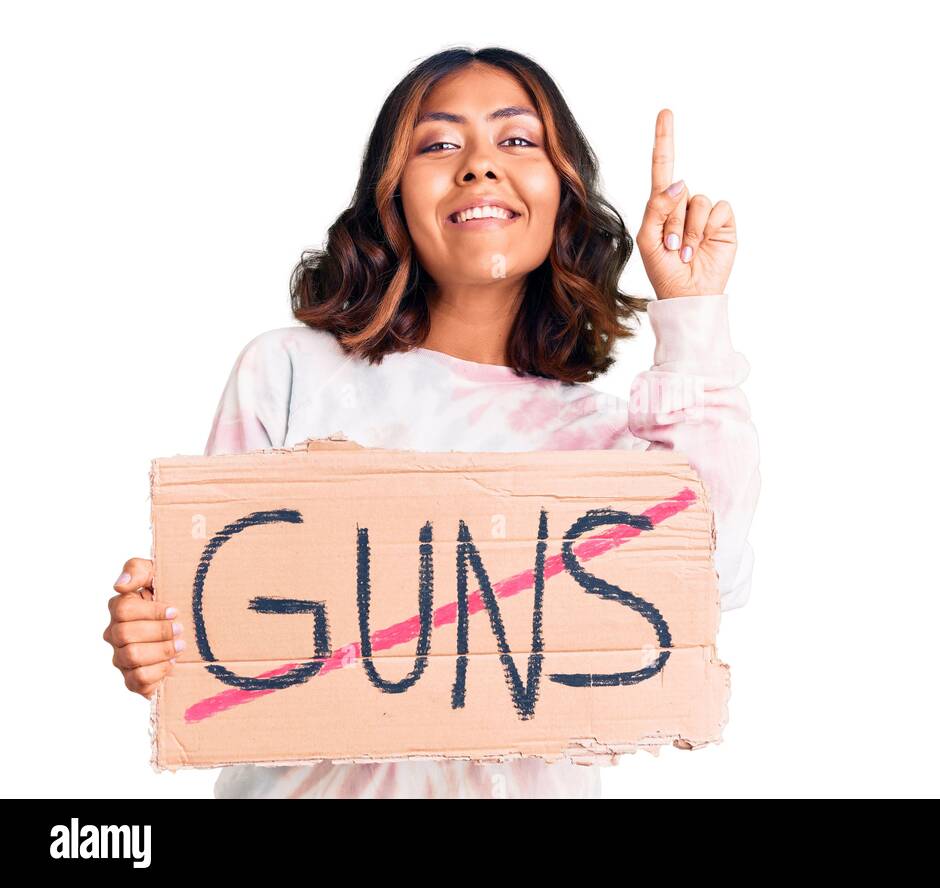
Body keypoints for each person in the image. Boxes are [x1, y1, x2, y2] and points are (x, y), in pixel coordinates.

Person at [103, 46, 759, 798]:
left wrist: (693, 310)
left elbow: (712, 572)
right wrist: (153, 638)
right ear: (393, 195)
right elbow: (209, 634)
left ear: (562, 193)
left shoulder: (598, 442)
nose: (479, 164)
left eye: (517, 140)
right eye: (439, 143)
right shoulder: (286, 374)